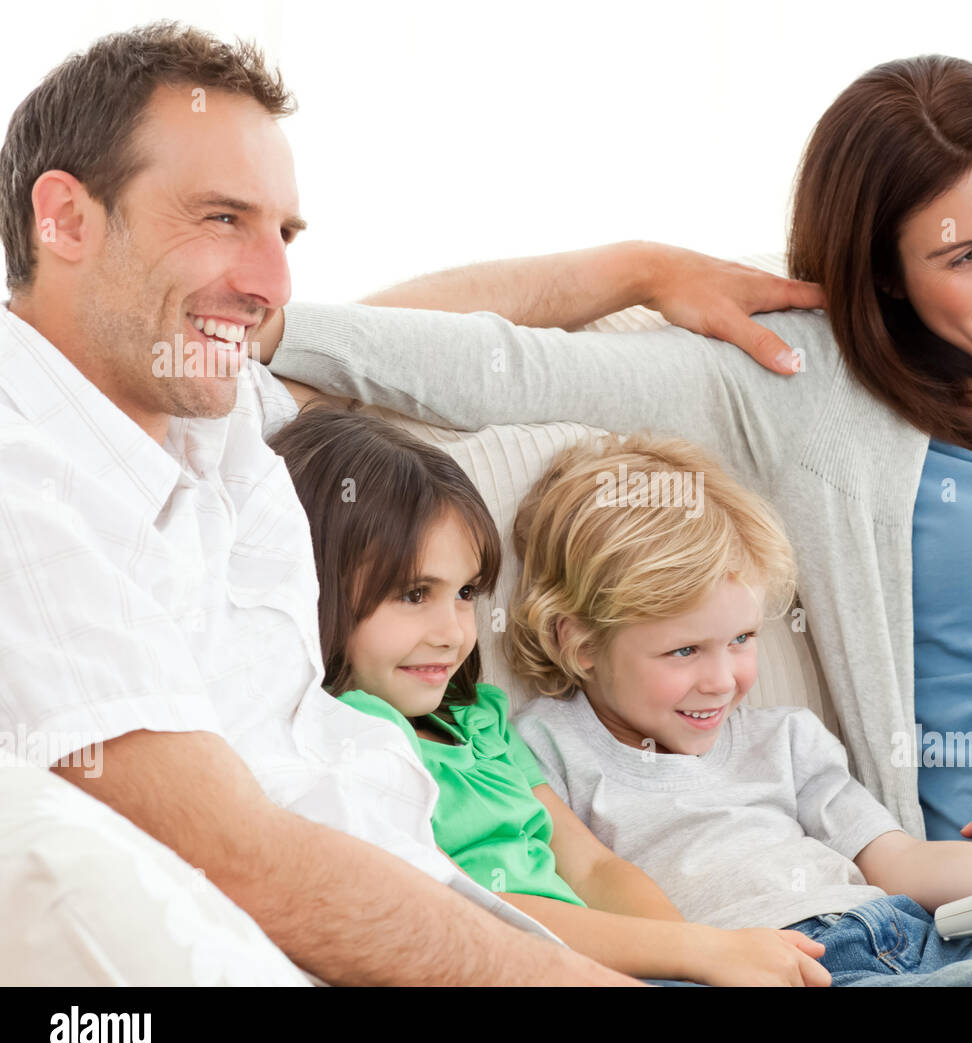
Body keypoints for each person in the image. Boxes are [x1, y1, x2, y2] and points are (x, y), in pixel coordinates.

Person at [262, 55, 972, 984]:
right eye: (963, 252)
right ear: (885, 274)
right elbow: (478, 364)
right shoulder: (806, 394)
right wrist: (633, 268)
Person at [0, 21, 821, 985]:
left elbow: (405, 328)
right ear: (64, 218)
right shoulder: (31, 487)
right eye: (222, 218)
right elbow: (242, 866)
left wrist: (639, 270)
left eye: (284, 232)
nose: (272, 285)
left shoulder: (200, 412)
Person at [504, 430, 972, 986]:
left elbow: (899, 861)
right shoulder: (542, 747)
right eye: (684, 652)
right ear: (579, 643)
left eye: (741, 639)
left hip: (911, 931)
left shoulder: (786, 739)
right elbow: (581, 881)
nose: (725, 680)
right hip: (779, 967)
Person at [265, 404, 830, 986]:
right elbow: (472, 914)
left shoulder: (482, 722)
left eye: (464, 593)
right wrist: (692, 954)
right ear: (311, 582)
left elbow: (592, 869)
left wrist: (701, 950)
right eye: (414, 594)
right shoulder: (343, 740)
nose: (453, 631)